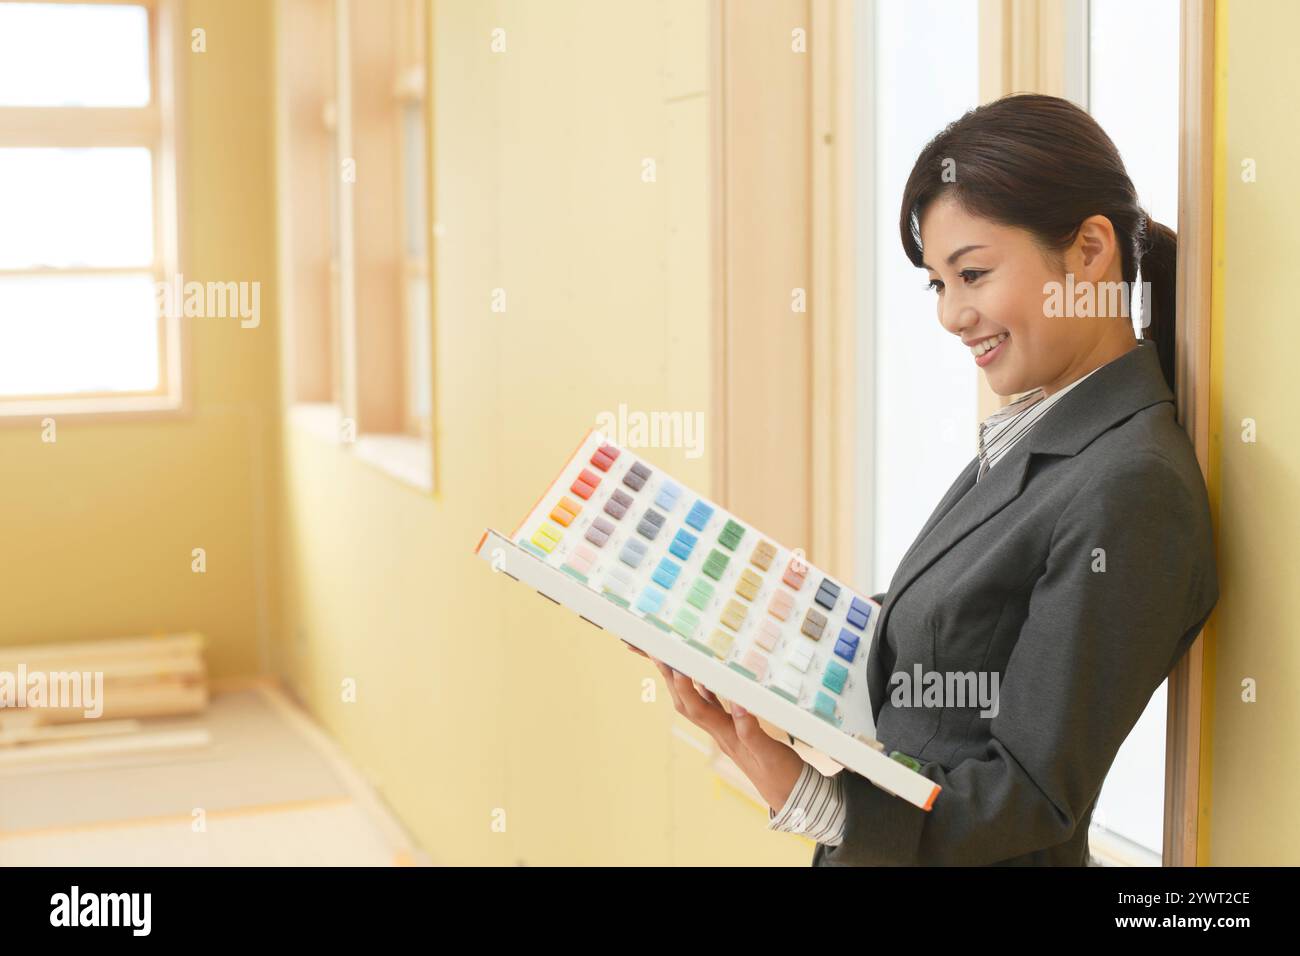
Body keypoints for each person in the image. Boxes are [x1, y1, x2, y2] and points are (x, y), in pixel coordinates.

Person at [641, 93, 1219, 866]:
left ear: (1088, 251)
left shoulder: (1131, 486)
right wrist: (758, 633)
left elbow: (1032, 792)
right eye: (937, 285)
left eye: (972, 274)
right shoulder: (1042, 431)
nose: (951, 315)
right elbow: (956, 638)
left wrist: (800, 790)